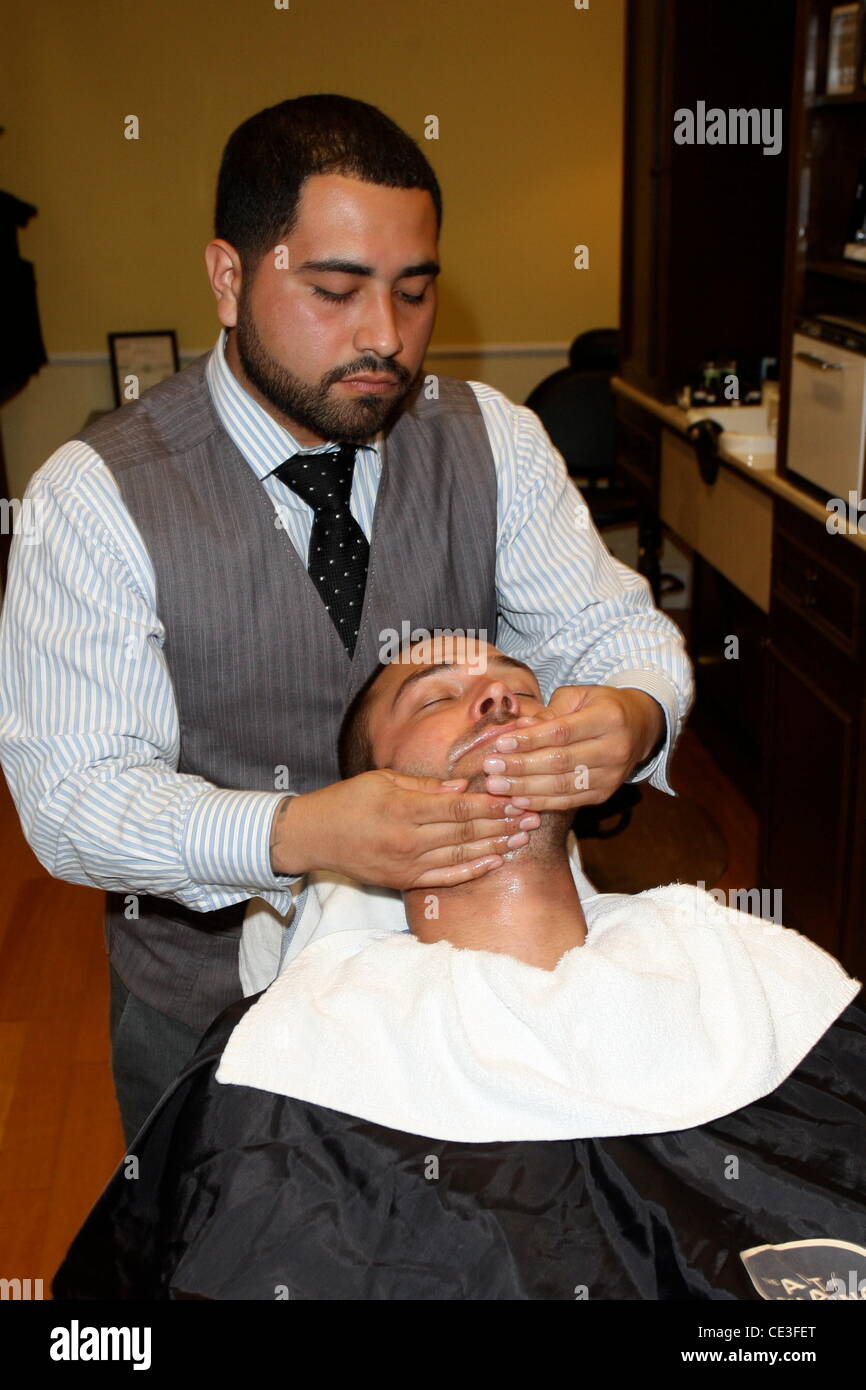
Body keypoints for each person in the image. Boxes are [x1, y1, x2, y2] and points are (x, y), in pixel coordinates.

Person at [0, 94, 692, 1146]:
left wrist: (631, 717)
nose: (384, 337)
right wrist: (300, 832)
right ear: (228, 276)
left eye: (414, 294)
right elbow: (74, 799)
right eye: (336, 290)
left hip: (475, 1005)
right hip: (205, 1016)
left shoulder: (491, 443)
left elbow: (617, 639)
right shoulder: (94, 498)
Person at [53, 639, 865, 1302]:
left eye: (522, 688)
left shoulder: (740, 963)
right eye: (437, 698)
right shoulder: (299, 1052)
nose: (500, 699)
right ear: (371, 795)